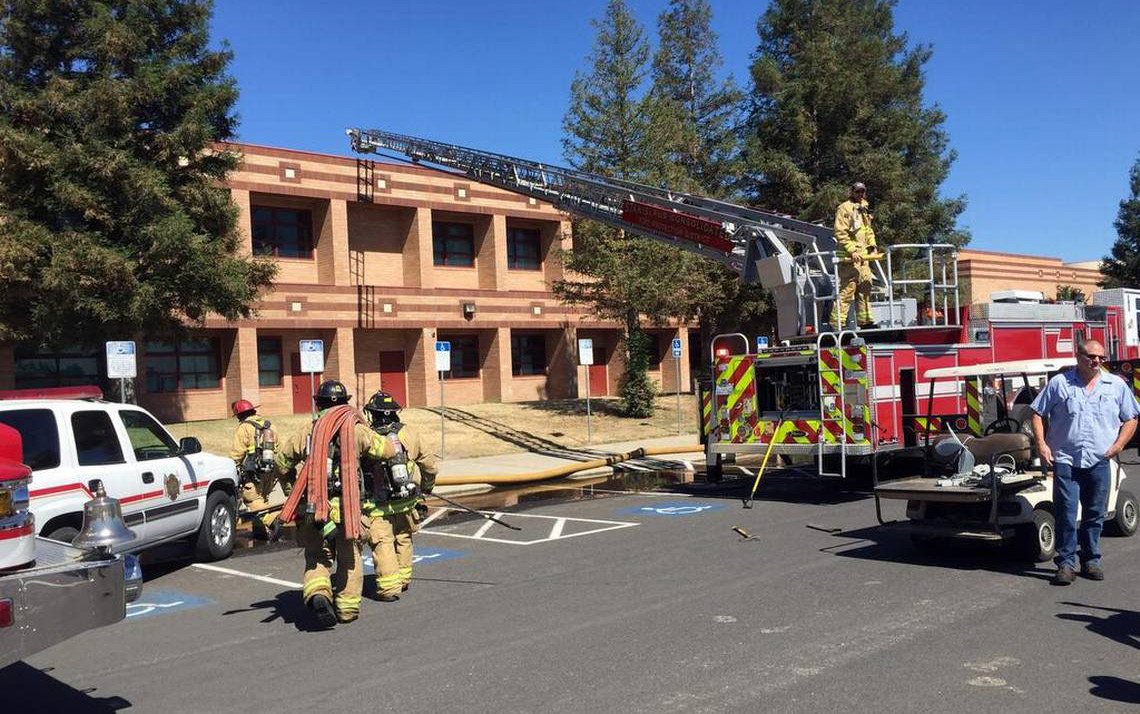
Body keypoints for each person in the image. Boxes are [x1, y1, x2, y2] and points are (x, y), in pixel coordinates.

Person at [275, 380, 397, 626]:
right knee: (349, 559)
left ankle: (319, 594)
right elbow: (387, 451)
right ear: (345, 402)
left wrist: (292, 490)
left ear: (317, 403)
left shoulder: (308, 431)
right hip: (348, 511)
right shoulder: (357, 430)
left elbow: (281, 462)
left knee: (316, 556)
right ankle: (347, 610)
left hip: (312, 509)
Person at [1030, 339, 1139, 585]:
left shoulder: (1116, 386)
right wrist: (1042, 444)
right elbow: (1037, 413)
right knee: (1066, 514)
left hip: (1100, 459)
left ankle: (1091, 560)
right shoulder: (1060, 383)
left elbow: (1131, 417)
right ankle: (1066, 564)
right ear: (1078, 356)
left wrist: (1119, 444)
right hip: (1067, 459)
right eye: (1091, 356)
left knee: (1095, 513)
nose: (1097, 361)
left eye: (1101, 357)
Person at [362, 391, 439, 602]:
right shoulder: (411, 434)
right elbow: (430, 465)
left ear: (372, 414)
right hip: (407, 501)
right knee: (404, 538)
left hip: (378, 505)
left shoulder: (367, 436)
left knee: (383, 543)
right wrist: (426, 488)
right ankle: (404, 579)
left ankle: (389, 589)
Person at [830, 182, 882, 329]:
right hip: (849, 259)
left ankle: (865, 322)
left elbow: (868, 230)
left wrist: (872, 246)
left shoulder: (864, 208)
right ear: (851, 192)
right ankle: (838, 323)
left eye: (862, 192)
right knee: (847, 291)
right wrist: (852, 250)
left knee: (865, 288)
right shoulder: (844, 208)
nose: (860, 194)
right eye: (857, 191)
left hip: (864, 258)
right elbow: (840, 232)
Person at [228, 399, 281, 539]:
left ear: (240, 415)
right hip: (271, 470)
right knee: (263, 498)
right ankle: (260, 533)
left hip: (253, 472)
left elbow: (237, 453)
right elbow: (279, 448)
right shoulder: (270, 425)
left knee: (251, 499)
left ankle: (273, 520)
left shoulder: (244, 428)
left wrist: (232, 468)